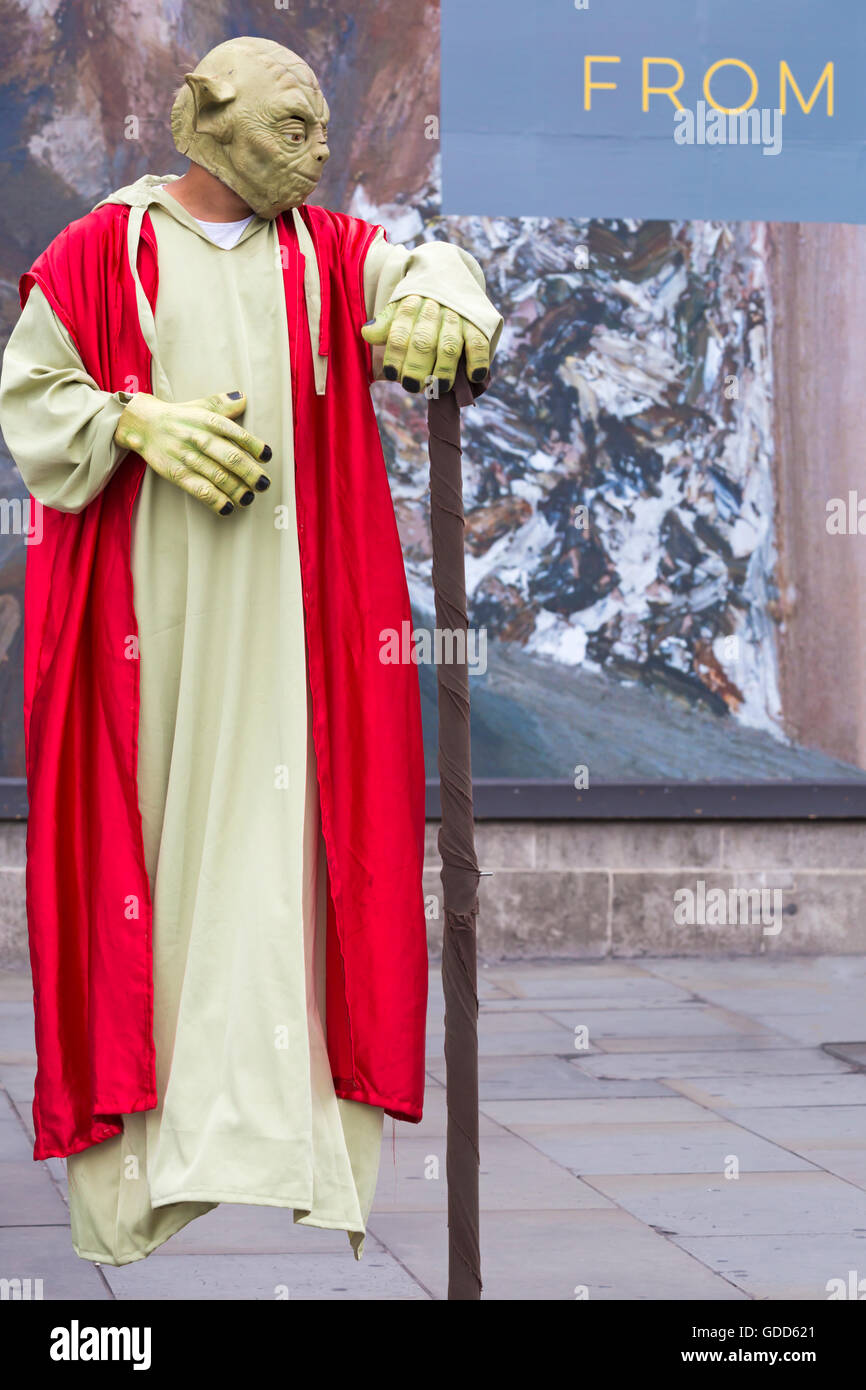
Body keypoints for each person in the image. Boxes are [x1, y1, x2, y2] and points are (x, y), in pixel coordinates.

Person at [0, 35, 502, 1265]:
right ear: (203, 118)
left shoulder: (327, 257)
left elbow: (427, 271)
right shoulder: (97, 255)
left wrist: (445, 290)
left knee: (291, 873)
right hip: (148, 640)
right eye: (292, 130)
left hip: (294, 644)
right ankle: (148, 1170)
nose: (321, 154)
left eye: (324, 129)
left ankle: (295, 1147)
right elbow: (35, 404)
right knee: (150, 875)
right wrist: (131, 418)